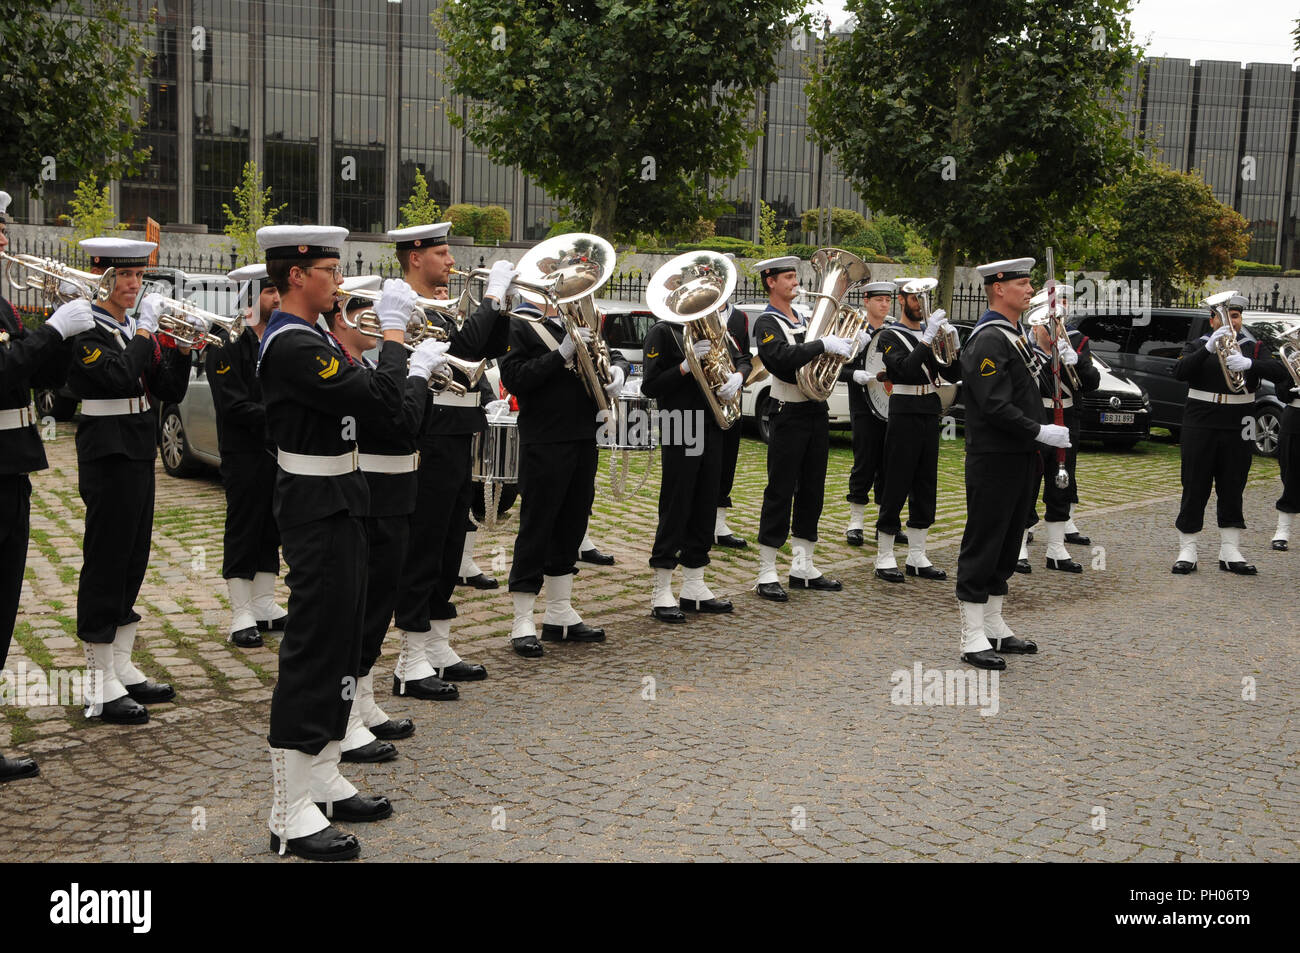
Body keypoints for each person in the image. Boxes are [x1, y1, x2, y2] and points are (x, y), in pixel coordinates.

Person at [254, 224, 445, 861]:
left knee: (343, 640)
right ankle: (287, 808)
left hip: (343, 498)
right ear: (296, 276)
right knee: (313, 649)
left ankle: (324, 772)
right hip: (315, 507)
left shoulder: (311, 337)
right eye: (330, 271)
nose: (340, 280)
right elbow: (385, 406)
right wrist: (395, 342)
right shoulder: (292, 345)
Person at [67, 237, 192, 725]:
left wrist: (180, 349)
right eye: (123, 275)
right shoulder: (85, 327)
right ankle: (98, 685)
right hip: (106, 449)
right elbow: (119, 378)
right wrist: (145, 331)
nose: (133, 284)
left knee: (133, 555)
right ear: (101, 276)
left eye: (138, 276)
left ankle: (120, 666)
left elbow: (167, 388)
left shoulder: (125, 327)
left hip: (137, 446)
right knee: (106, 559)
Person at [389, 223, 514, 697]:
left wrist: (498, 308)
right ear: (415, 257)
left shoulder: (445, 306)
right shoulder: (408, 306)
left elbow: (489, 349)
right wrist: (493, 298)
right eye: (441, 253)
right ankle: (408, 661)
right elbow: (460, 352)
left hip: (459, 433)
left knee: (448, 544)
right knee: (423, 546)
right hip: (432, 434)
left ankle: (437, 645)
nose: (450, 260)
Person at [323, 279, 440, 764]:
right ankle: (344, 718)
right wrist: (416, 377)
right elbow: (399, 421)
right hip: (369, 497)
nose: (372, 321)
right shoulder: (347, 367)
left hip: (394, 494)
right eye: (362, 312)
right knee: (359, 615)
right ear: (341, 320)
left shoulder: (367, 364)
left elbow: (414, 427)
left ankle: (364, 703)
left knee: (377, 611)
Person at [0, 192, 93, 780]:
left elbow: (34, 381)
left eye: (4, 230)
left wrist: (60, 335)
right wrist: (52, 330)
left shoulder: (5, 309)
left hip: (10, 470)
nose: (5, 242)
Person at [498, 291, 629, 657]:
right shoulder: (520, 323)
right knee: (538, 524)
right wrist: (561, 354)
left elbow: (608, 351)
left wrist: (619, 368)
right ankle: (522, 619)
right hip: (545, 437)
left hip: (584, 434)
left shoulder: (584, 318)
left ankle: (559, 611)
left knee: (573, 522)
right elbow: (515, 378)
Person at [954, 258, 1070, 670]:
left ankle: (995, 624)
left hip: (1022, 455)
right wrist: (1037, 430)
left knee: (1008, 542)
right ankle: (971, 636)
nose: (1029, 289)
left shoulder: (1017, 335)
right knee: (985, 540)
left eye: (1030, 283)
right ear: (998, 288)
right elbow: (991, 403)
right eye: (1022, 283)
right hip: (994, 456)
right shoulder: (989, 338)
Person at [751, 255, 858, 600]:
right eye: (788, 277)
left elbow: (823, 363)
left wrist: (845, 348)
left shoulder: (806, 317)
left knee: (812, 490)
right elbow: (781, 361)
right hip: (786, 413)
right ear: (770, 282)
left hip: (815, 412)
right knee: (780, 490)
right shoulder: (767, 323)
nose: (796, 282)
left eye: (796, 276)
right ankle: (767, 570)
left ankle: (802, 565)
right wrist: (821, 344)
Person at [640, 295, 744, 623]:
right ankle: (661, 588)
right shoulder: (664, 331)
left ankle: (695, 585)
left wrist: (738, 376)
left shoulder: (714, 329)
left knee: (705, 501)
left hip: (712, 422)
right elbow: (651, 386)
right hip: (680, 423)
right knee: (677, 502)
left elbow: (741, 357)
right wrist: (685, 366)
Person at [1172, 293, 1286, 575]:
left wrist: (1251, 364)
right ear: (1212, 320)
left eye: (1235, 317)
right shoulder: (1199, 344)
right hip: (1201, 419)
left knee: (1233, 485)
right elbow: (1180, 371)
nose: (1231, 322)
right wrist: (1208, 349)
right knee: (1195, 483)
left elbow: (1280, 371)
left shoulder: (1253, 346)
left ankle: (1230, 550)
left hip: (1240, 420)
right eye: (1224, 316)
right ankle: (1187, 549)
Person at [208, 263, 286, 648]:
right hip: (244, 452)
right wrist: (284, 416)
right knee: (243, 527)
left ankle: (264, 602)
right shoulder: (226, 342)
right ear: (252, 299)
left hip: (276, 451)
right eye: (271, 292)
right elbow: (234, 405)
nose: (278, 298)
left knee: (271, 526)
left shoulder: (278, 337)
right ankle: (240, 613)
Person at [871, 281, 951, 583]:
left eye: (924, 297)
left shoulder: (930, 334)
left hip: (929, 407)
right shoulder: (890, 335)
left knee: (925, 481)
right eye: (915, 297)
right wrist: (926, 340)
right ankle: (885, 555)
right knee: (897, 479)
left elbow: (953, 373)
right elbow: (902, 369)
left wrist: (949, 344)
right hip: (903, 408)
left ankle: (917, 554)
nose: (920, 302)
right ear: (902, 300)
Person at [1020, 284, 1100, 573]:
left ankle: (1056, 548)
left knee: (1061, 479)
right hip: (1036, 415)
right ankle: (1018, 546)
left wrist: (1076, 363)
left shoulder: (1073, 346)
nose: (1053, 329)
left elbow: (1092, 383)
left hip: (1066, 415)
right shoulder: (1024, 350)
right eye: (1046, 324)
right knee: (1027, 480)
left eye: (1056, 322)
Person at [840, 281, 895, 546]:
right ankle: (855, 522)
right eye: (879, 300)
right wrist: (854, 374)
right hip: (863, 406)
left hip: (889, 405)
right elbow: (837, 369)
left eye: (887, 300)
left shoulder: (893, 331)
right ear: (866, 301)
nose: (884, 305)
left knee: (888, 465)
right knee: (864, 463)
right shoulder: (854, 330)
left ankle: (885, 522)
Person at [714, 290, 753, 548]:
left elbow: (745, 357)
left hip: (730, 399)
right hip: (699, 404)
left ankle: (718, 525)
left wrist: (740, 376)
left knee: (727, 462)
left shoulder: (739, 318)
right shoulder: (692, 315)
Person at [1273, 365, 1300, 551]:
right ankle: (1282, 531)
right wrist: (1292, 376)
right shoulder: (1295, 360)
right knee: (1291, 473)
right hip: (1296, 416)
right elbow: (1282, 394)